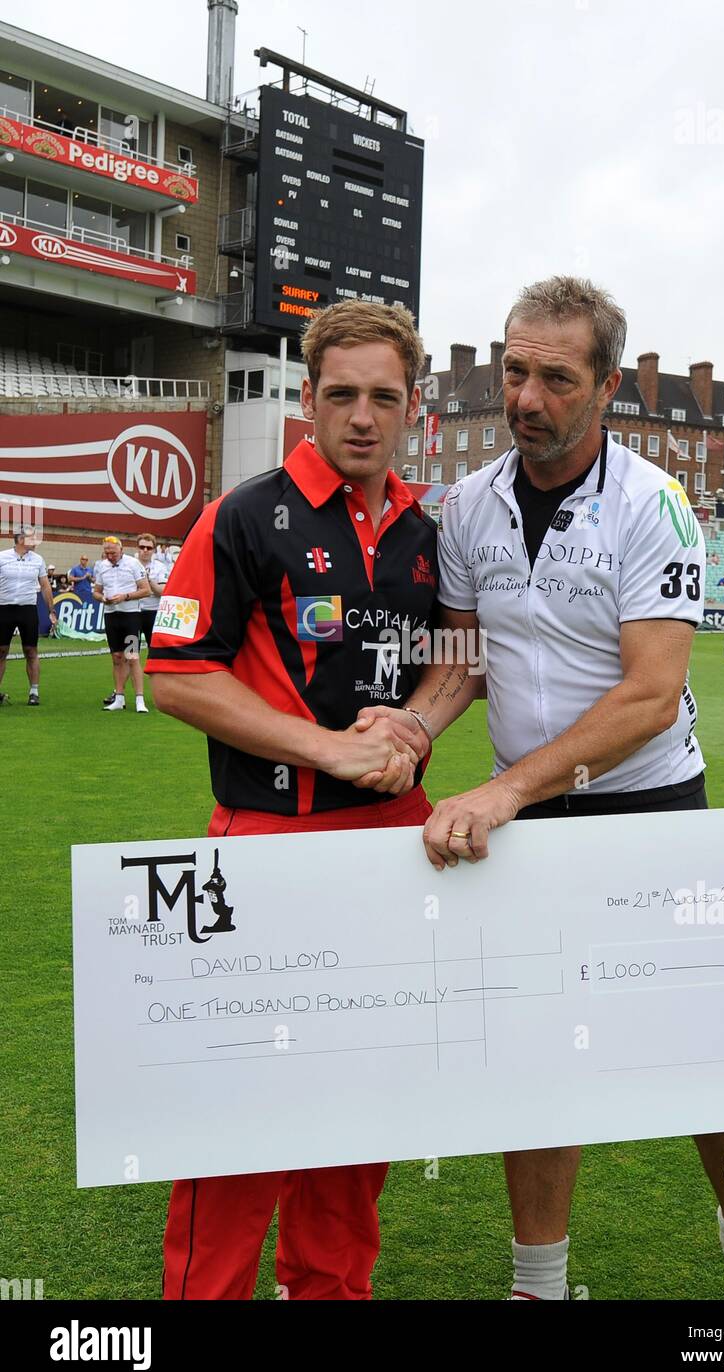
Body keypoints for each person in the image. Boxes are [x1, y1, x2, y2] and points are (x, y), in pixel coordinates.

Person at [356, 274, 724, 1302]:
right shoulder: (465, 505)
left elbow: (648, 695)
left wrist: (503, 792)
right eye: (514, 370)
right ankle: (537, 1284)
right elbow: (462, 656)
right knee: (533, 1051)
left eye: (555, 377)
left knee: (704, 1053)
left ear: (602, 391)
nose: (525, 396)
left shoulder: (655, 503)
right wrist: (415, 722)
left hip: (649, 806)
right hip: (536, 810)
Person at [146, 299, 438, 1301]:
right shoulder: (243, 514)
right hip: (269, 845)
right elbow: (177, 674)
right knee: (243, 1111)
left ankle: (327, 1291)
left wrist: (415, 729)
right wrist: (330, 750)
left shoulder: (422, 531)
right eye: (342, 394)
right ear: (307, 400)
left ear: (412, 410)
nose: (363, 416)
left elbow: (458, 661)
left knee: (363, 1107)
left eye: (384, 397)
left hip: (393, 854)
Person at [92, 537, 151, 713]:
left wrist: (125, 596)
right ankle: (119, 698)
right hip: (111, 616)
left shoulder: (133, 564)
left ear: (121, 550)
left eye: (113, 553)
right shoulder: (102, 566)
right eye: (107, 553)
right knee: (116, 657)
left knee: (132, 656)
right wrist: (103, 599)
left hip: (131, 616)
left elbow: (146, 590)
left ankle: (140, 699)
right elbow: (96, 591)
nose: (110, 556)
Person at [0, 526, 57, 704]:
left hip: (28, 609)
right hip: (4, 608)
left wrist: (51, 610)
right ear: (21, 539)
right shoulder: (2, 557)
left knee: (30, 650)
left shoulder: (38, 560)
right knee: (1, 651)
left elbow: (45, 586)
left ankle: (34, 692)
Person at [135, 533, 169, 648]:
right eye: (142, 547)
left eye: (149, 548)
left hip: (153, 613)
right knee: (131, 652)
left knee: (154, 650)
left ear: (154, 550)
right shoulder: (129, 565)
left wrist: (147, 580)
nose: (145, 550)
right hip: (132, 613)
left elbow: (163, 592)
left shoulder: (160, 567)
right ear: (137, 548)